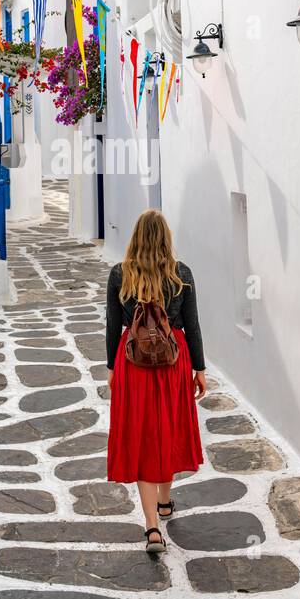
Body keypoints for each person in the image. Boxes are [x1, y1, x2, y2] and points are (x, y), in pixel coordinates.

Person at [106, 209, 206, 555]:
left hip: (133, 364)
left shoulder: (121, 275)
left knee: (142, 435)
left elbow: (112, 326)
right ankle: (165, 502)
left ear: (135, 237)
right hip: (173, 363)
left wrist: (111, 368)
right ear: (165, 238)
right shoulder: (182, 275)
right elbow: (192, 326)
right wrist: (200, 369)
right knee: (168, 430)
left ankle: (152, 526)